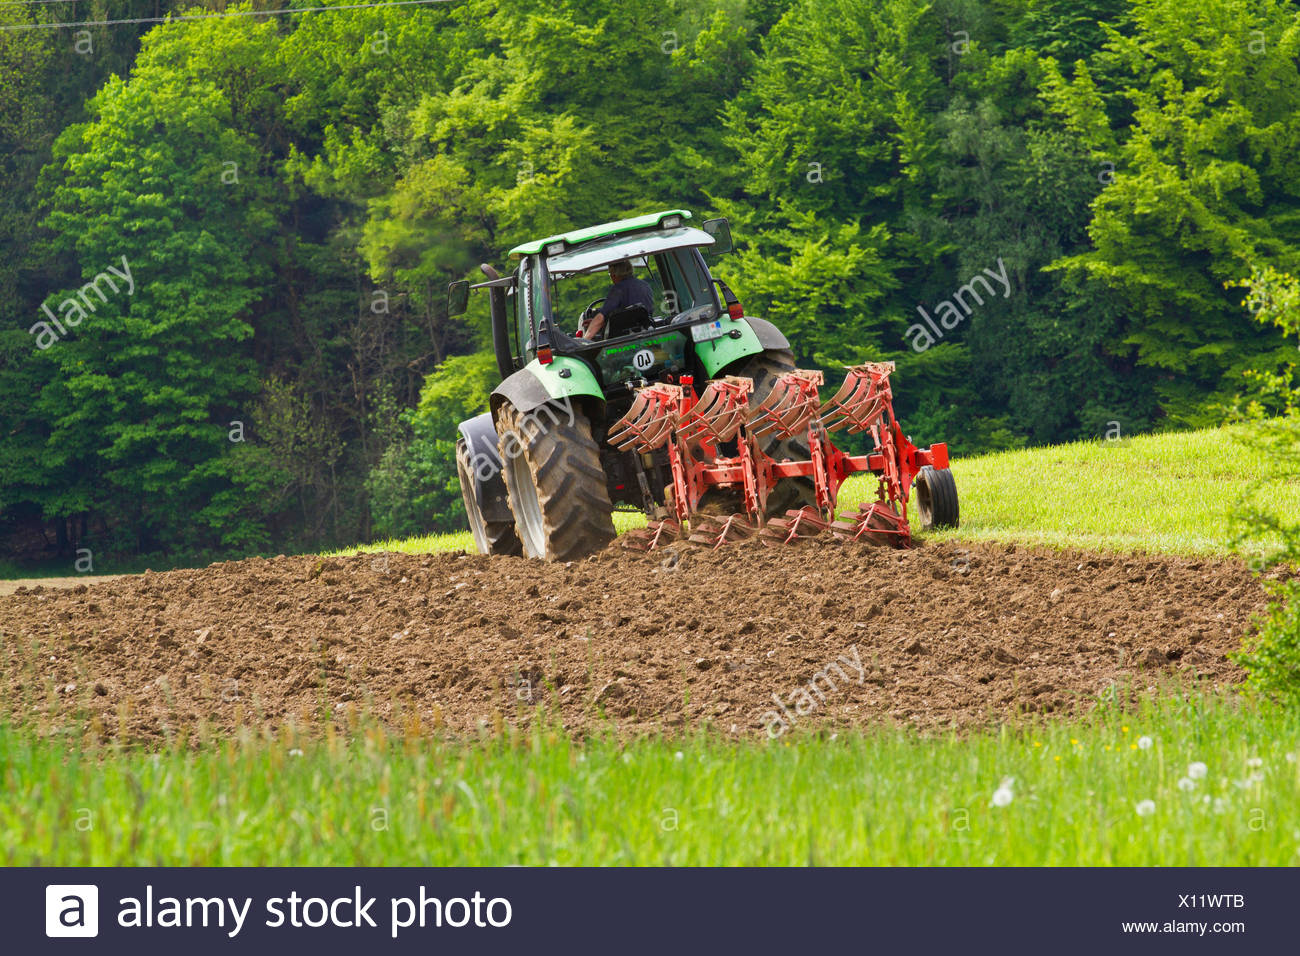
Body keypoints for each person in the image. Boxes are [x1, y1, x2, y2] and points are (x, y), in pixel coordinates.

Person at [581, 259, 655, 340]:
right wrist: (605, 322)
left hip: (623, 340)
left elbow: (601, 318)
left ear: (614, 275)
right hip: (647, 335)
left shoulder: (618, 289)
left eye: (610, 274)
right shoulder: (645, 285)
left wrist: (585, 341)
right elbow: (632, 316)